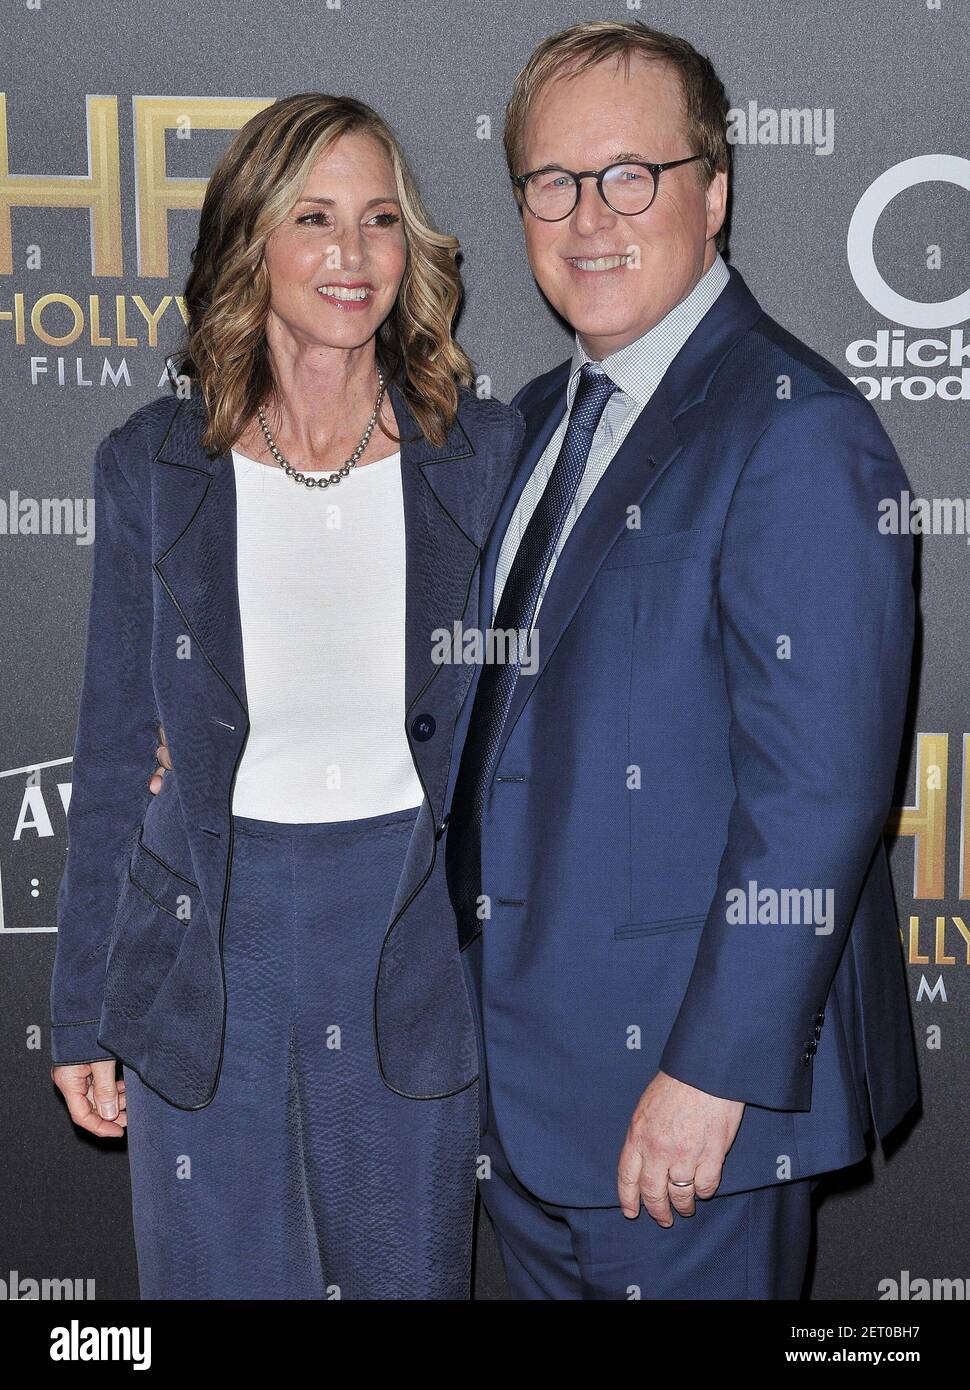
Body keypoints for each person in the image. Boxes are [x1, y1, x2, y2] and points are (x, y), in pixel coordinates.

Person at [436, 19, 917, 1299]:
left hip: (683, 1115)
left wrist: (712, 1073)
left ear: (713, 192)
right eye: (552, 179)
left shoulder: (796, 433)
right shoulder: (531, 423)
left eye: (629, 175)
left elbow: (819, 794)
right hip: (519, 1096)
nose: (587, 214)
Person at [48, 92, 523, 1300]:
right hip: (208, 936)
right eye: (313, 218)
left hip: (407, 935)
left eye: (378, 220)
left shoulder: (483, 455)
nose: (352, 256)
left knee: (405, 1278)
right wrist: (84, 1014)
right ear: (252, 240)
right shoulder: (152, 465)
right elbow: (112, 754)